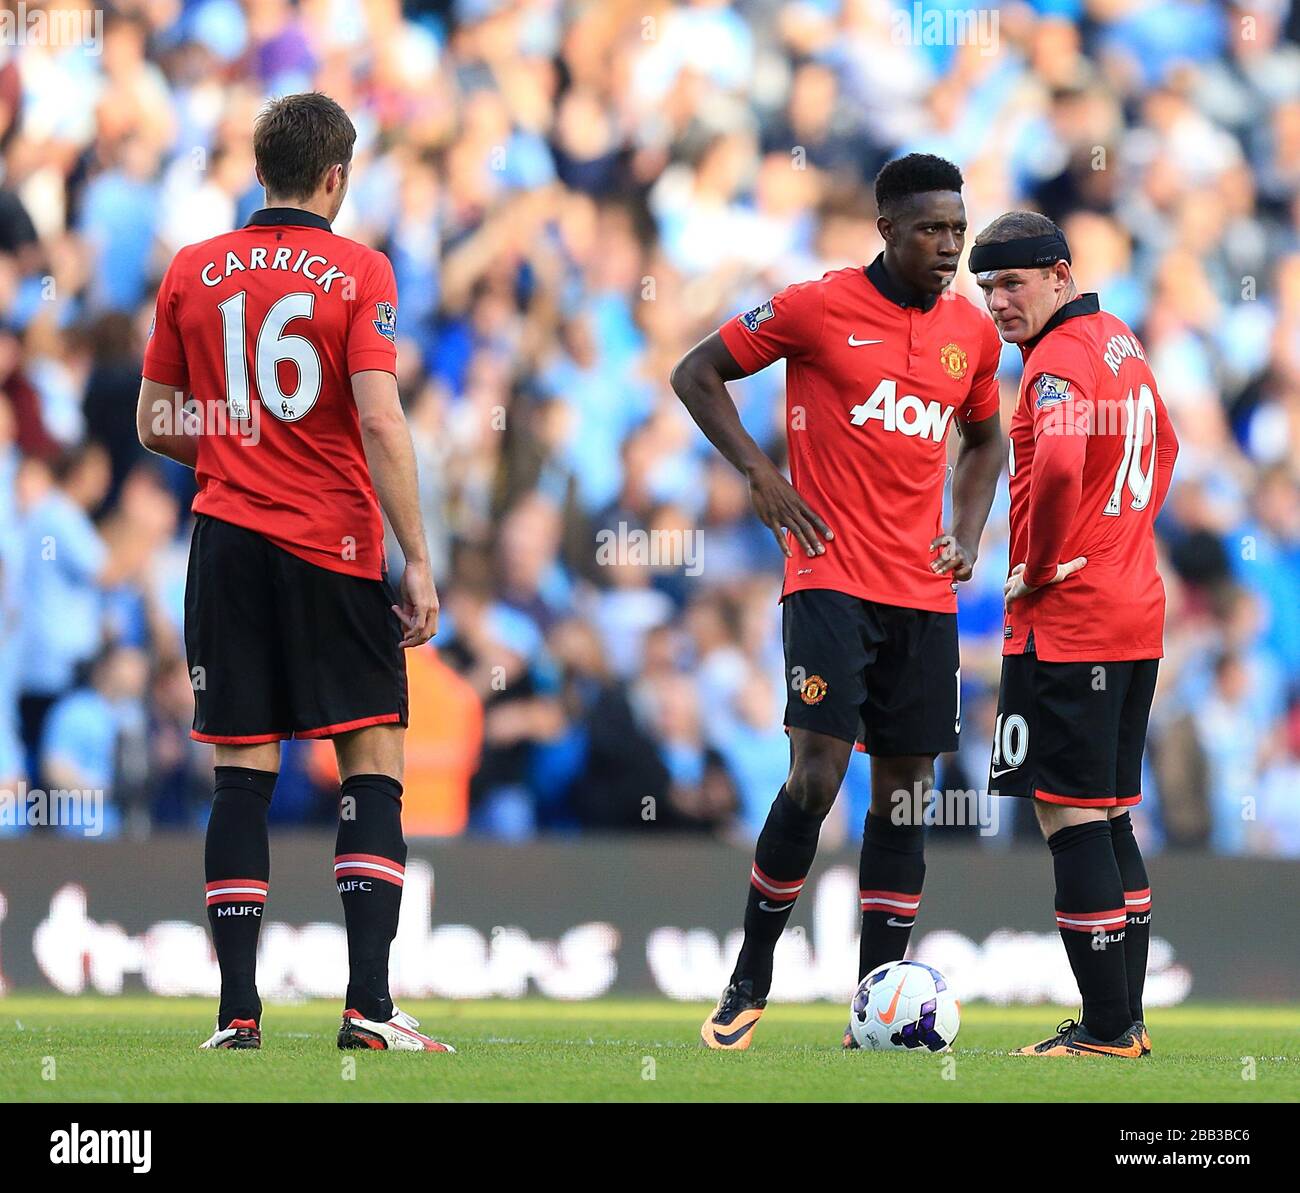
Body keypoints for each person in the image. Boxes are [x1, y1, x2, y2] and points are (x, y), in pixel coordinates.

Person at [137, 92, 451, 1052]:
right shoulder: (359, 269)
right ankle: (368, 1007)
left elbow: (156, 421)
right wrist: (420, 557)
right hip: (334, 545)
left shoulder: (194, 268)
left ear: (260, 168)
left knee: (242, 770)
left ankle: (236, 1014)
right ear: (336, 178)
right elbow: (380, 415)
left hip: (226, 543)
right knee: (370, 758)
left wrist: (241, 447)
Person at [671, 154, 1005, 1050]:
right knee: (817, 776)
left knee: (904, 796)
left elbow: (986, 439)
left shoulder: (971, 333)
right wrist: (761, 474)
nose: (948, 248)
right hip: (829, 578)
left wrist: (966, 534)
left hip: (923, 595)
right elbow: (696, 373)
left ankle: (871, 1008)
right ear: (887, 228)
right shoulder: (816, 306)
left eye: (958, 233)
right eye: (932, 230)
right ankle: (750, 977)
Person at [972, 211, 1178, 1058]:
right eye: (986, 289)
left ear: (1059, 274)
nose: (997, 302)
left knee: (1068, 814)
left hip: (1075, 623)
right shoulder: (1118, 339)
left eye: (1012, 284)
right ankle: (1123, 1023)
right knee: (1111, 811)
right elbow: (1167, 444)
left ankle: (1102, 1028)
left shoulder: (1057, 362)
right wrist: (1123, 532)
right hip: (1136, 608)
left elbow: (1057, 465)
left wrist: (1049, 560)